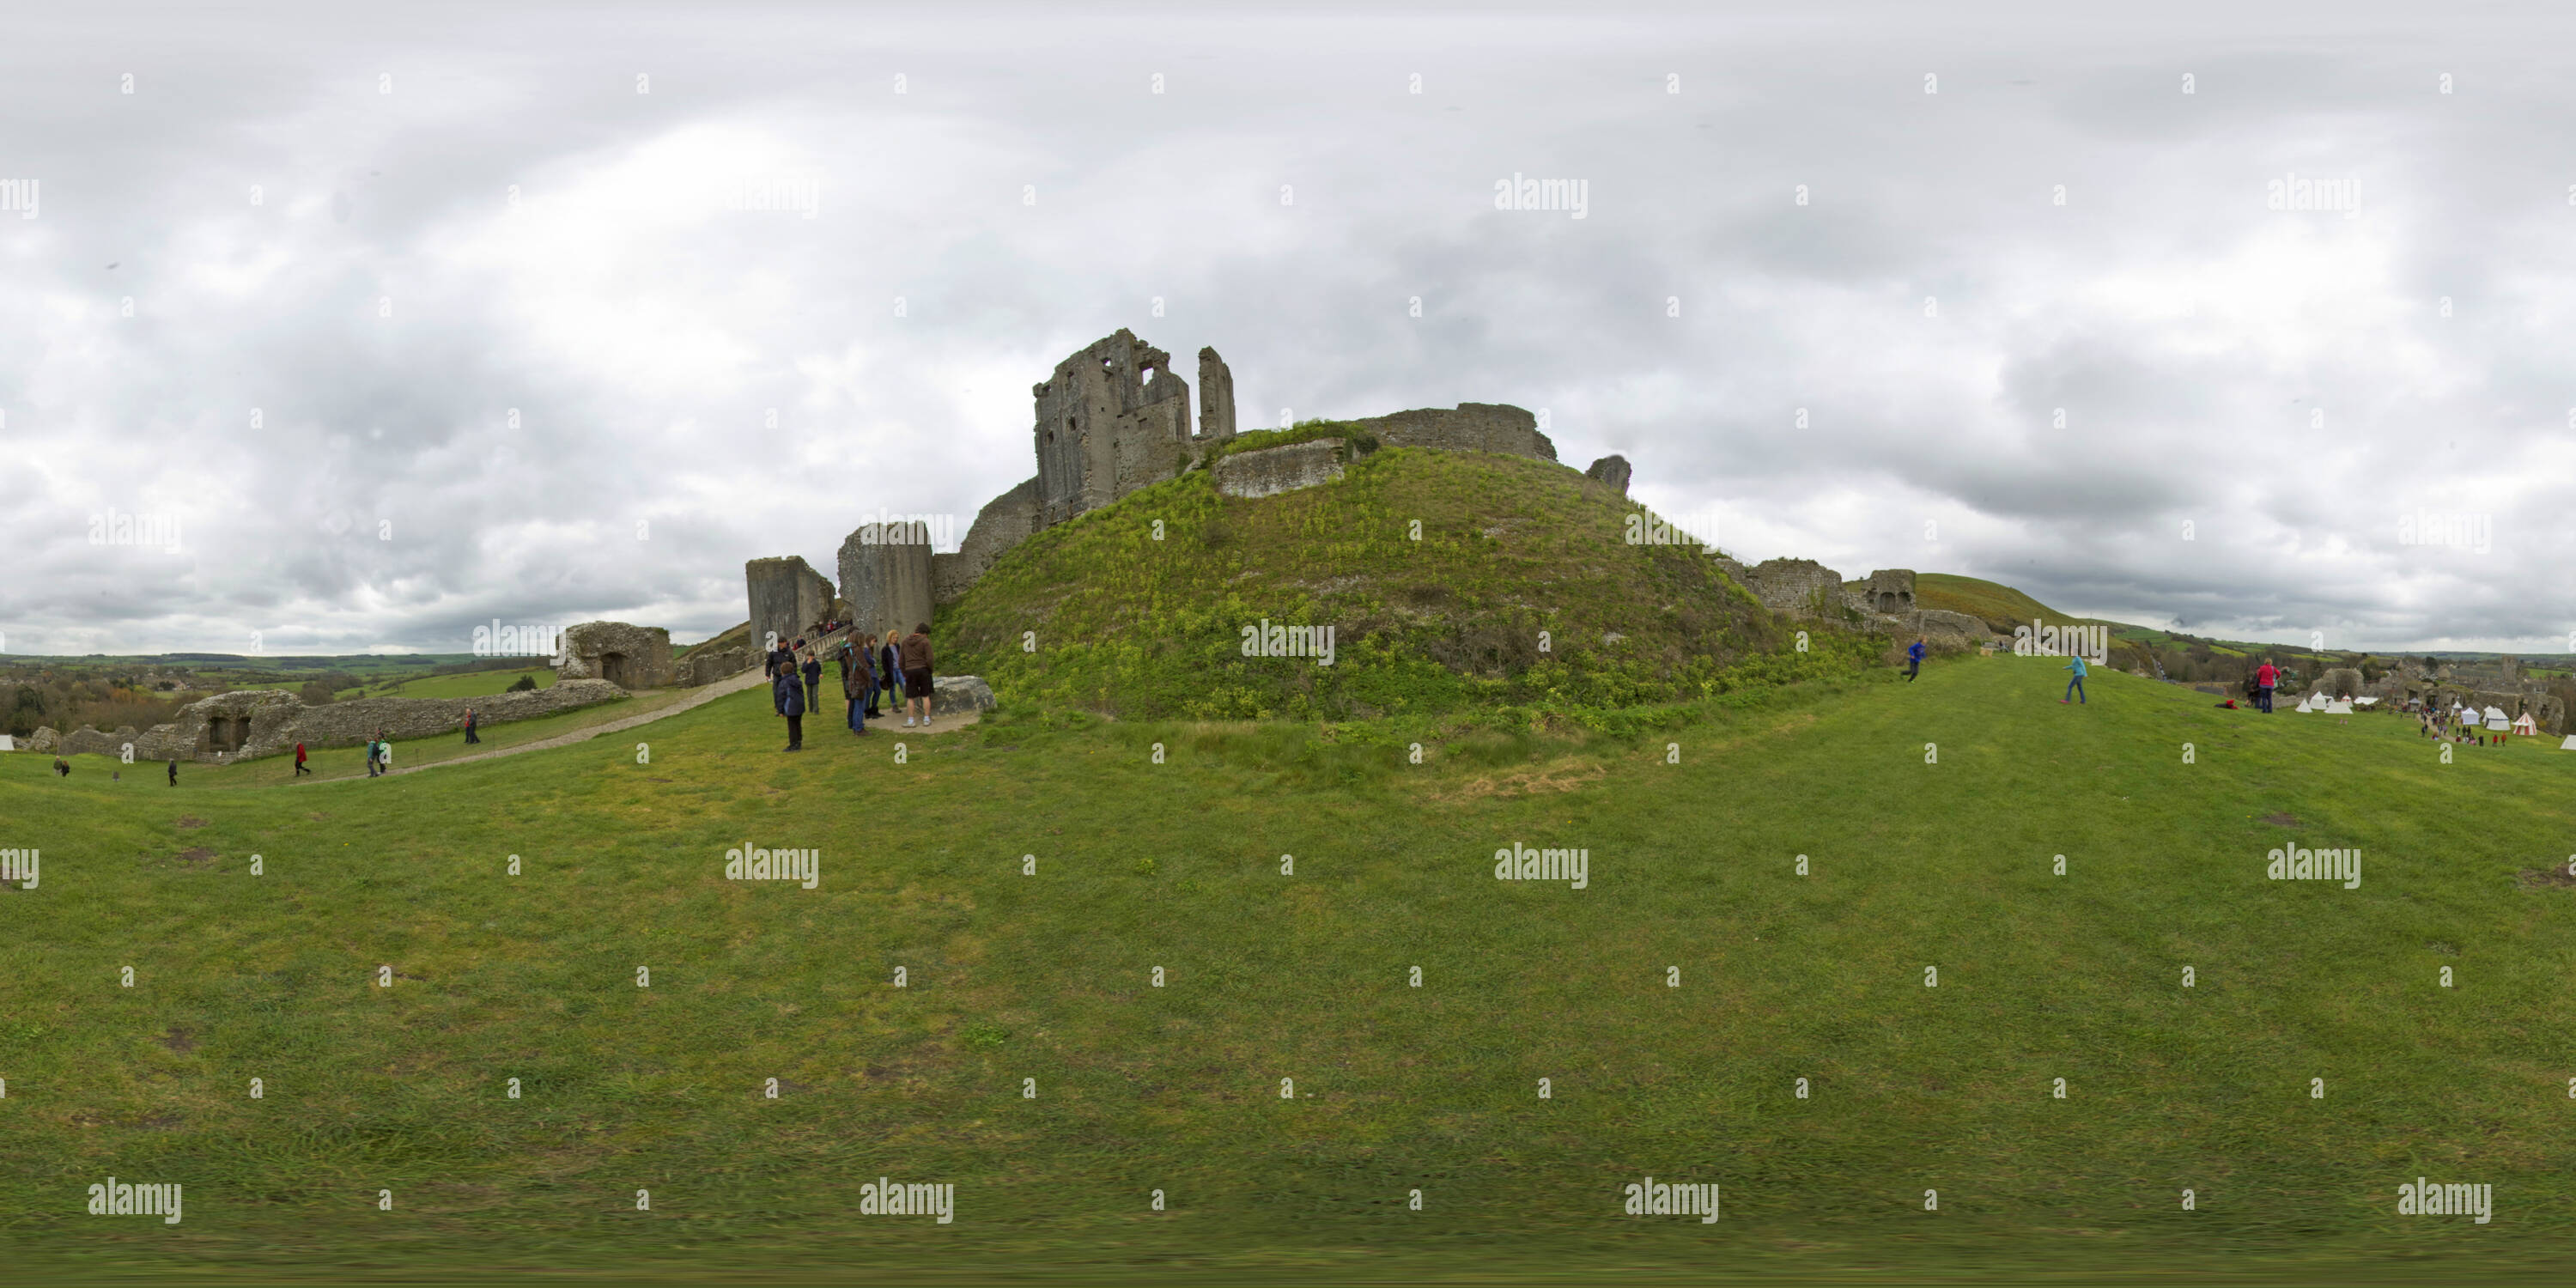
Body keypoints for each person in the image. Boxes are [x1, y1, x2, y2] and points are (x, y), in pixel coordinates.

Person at [901, 622, 936, 727]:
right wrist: (930, 670)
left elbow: (901, 661)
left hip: (910, 671)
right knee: (925, 695)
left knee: (910, 697)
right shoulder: (925, 641)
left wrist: (904, 672)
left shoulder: (904, 642)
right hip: (923, 670)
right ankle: (926, 719)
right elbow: (930, 659)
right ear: (924, 633)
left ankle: (911, 721)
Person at [774, 656, 805, 751]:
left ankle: (793, 744)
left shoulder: (784, 682)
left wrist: (780, 710)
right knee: (797, 724)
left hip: (791, 706)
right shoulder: (797, 680)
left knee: (792, 726)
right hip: (799, 705)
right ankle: (798, 741)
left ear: (782, 672)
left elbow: (781, 697)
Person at [879, 634, 903, 714]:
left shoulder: (898, 646)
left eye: (897, 638)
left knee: (903, 685)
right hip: (891, 670)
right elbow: (884, 662)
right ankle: (894, 705)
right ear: (890, 638)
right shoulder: (885, 649)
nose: (896, 639)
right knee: (892, 688)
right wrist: (887, 672)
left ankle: (909, 702)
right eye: (894, 638)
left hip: (899, 669)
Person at [800, 649, 824, 715]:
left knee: (815, 696)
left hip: (815, 681)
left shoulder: (816, 663)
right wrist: (808, 663)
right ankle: (811, 708)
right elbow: (803, 670)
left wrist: (820, 674)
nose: (810, 658)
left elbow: (819, 670)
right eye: (809, 656)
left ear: (813, 656)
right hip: (808, 681)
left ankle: (816, 710)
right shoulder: (806, 662)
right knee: (809, 696)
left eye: (811, 656)